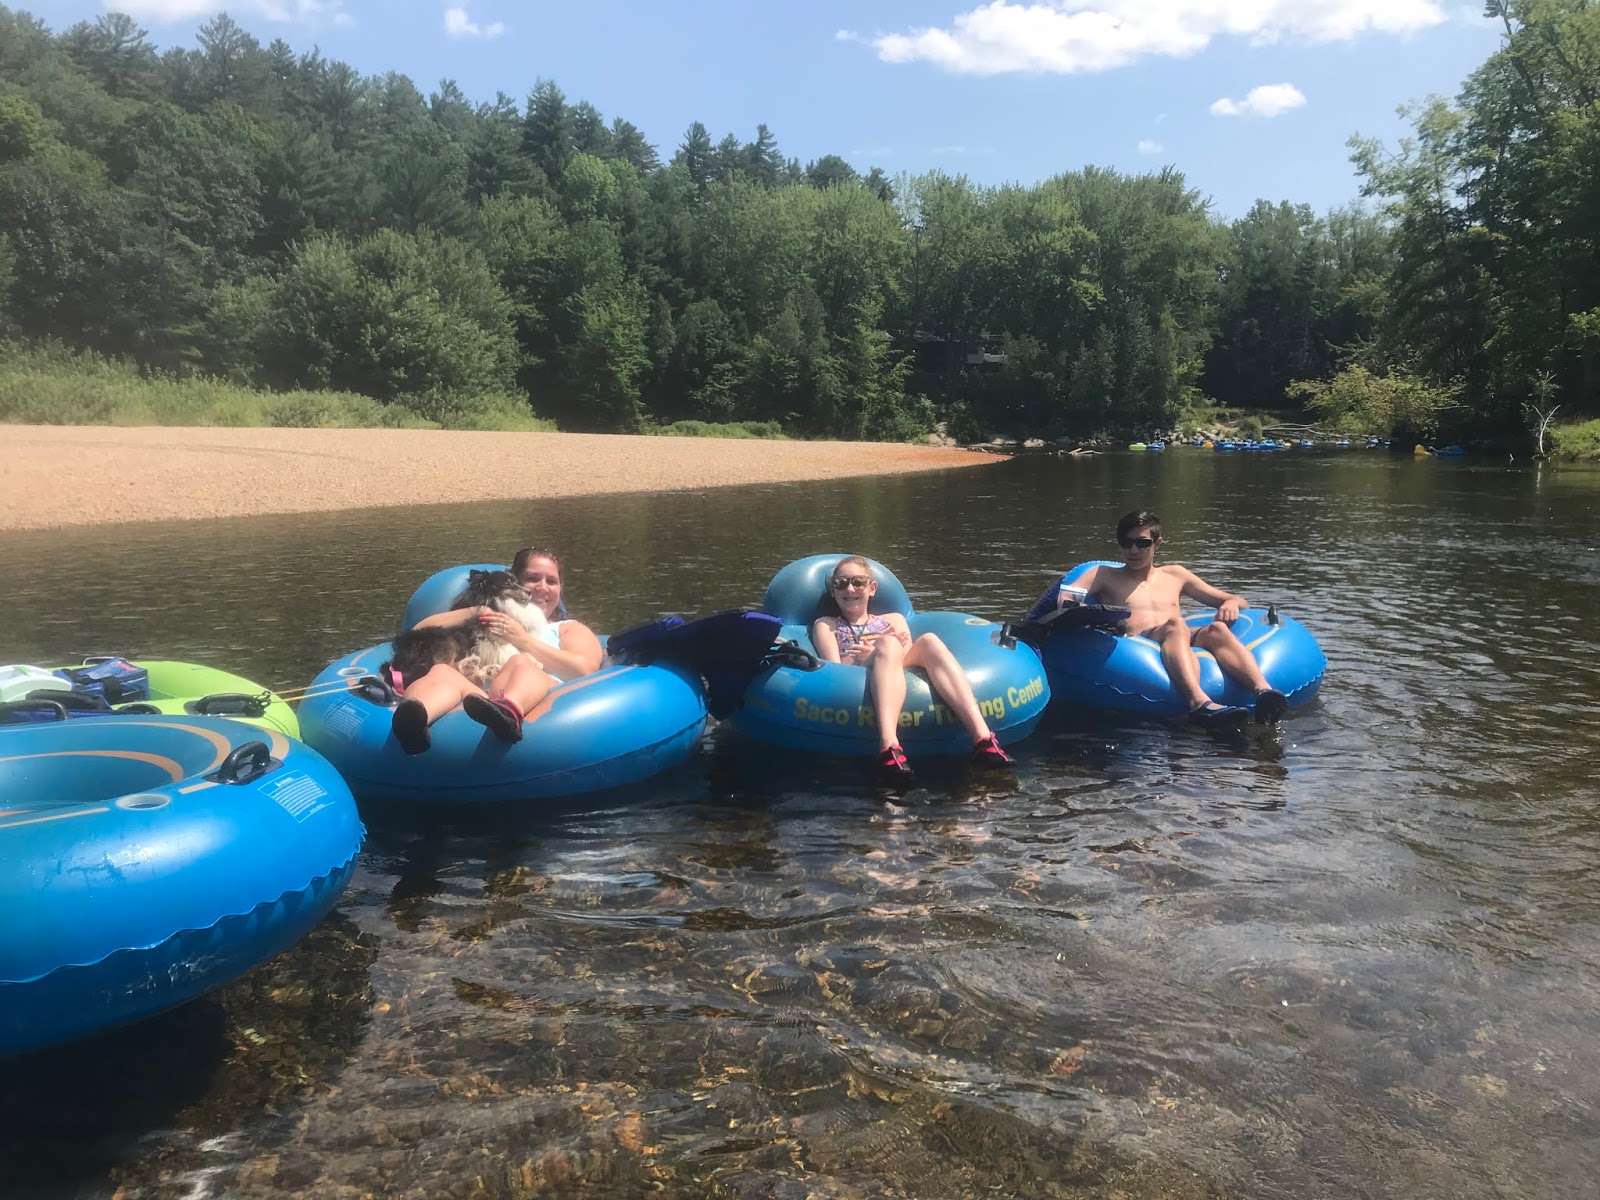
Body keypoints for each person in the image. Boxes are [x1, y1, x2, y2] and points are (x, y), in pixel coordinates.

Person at [1066, 512, 1289, 724]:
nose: (1133, 549)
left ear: (1157, 543)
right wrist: (1079, 608)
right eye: (1126, 543)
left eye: (1142, 543)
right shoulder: (1105, 575)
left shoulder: (1175, 574)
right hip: (1142, 641)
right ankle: (1199, 702)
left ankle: (1264, 693)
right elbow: (1068, 594)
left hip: (1179, 636)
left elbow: (1236, 599)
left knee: (1217, 630)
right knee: (1175, 624)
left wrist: (1231, 603)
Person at [812, 556, 1014, 776]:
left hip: (894, 667)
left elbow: (906, 659)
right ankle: (889, 746)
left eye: (858, 582)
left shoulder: (894, 620)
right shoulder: (827, 625)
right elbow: (833, 670)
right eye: (841, 583)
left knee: (929, 640)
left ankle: (982, 739)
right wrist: (870, 655)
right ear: (833, 591)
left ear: (872, 588)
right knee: (888, 643)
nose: (850, 589)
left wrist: (883, 650)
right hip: (857, 675)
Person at [391, 547, 605, 753]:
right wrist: (478, 611)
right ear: (514, 583)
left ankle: (508, 714)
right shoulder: (493, 620)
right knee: (442, 672)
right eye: (532, 579)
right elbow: (415, 632)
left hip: (539, 693)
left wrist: (522, 640)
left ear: (560, 588)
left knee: (521, 664)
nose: (542, 587)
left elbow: (584, 670)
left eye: (551, 581)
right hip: (482, 702)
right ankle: (414, 721)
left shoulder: (567, 628)